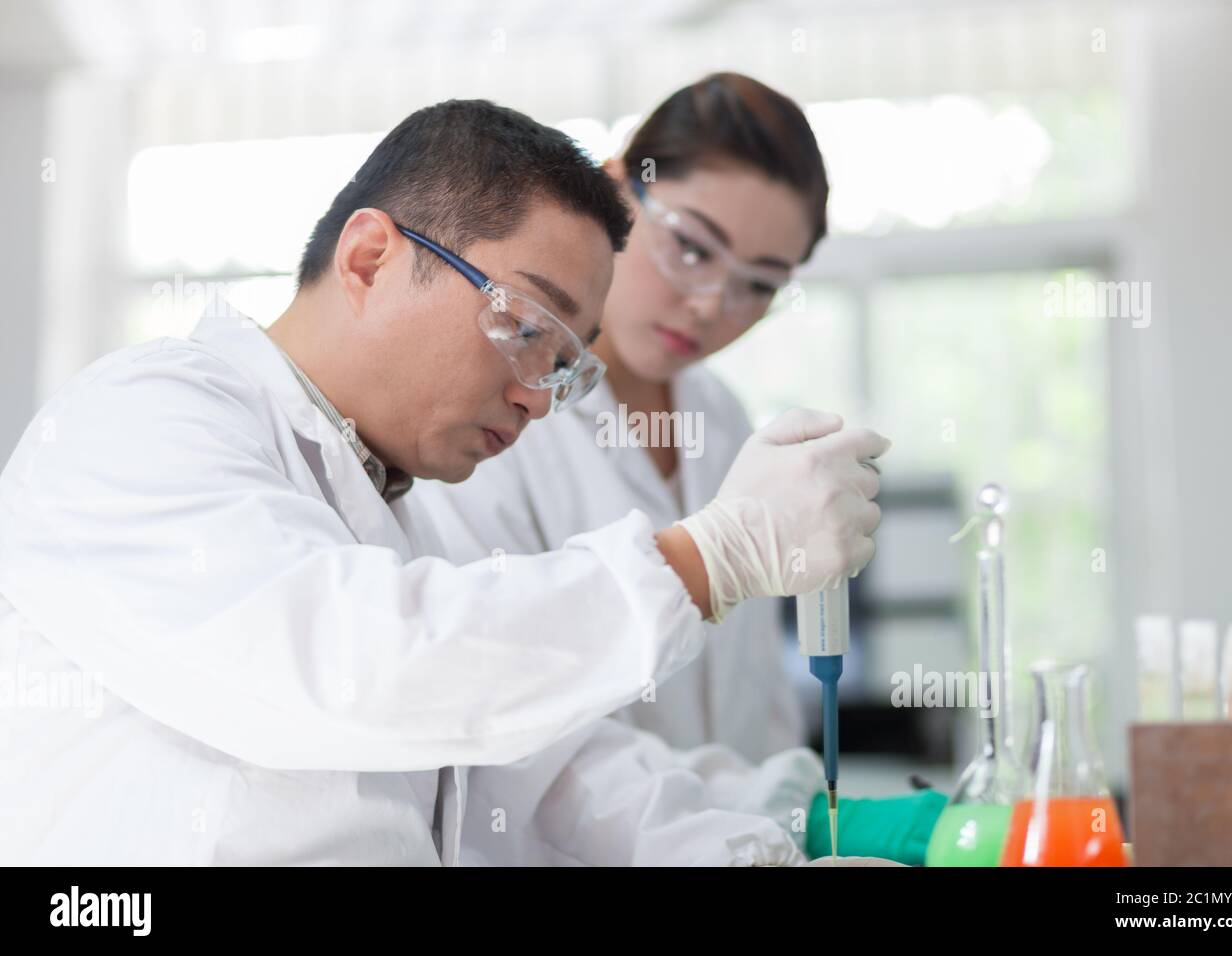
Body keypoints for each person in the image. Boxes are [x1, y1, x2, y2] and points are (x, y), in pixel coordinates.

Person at [0, 99, 886, 865]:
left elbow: (540, 770)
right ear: (370, 259)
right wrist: (708, 558)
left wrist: (768, 855)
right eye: (528, 326)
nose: (540, 399)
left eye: (567, 367)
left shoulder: (379, 511)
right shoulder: (141, 418)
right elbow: (354, 666)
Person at [417, 76, 944, 865]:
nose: (710, 303)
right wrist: (774, 827)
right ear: (613, 184)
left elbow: (755, 701)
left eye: (758, 283)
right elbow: (523, 733)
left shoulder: (721, 415)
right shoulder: (499, 412)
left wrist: (801, 813)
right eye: (693, 248)